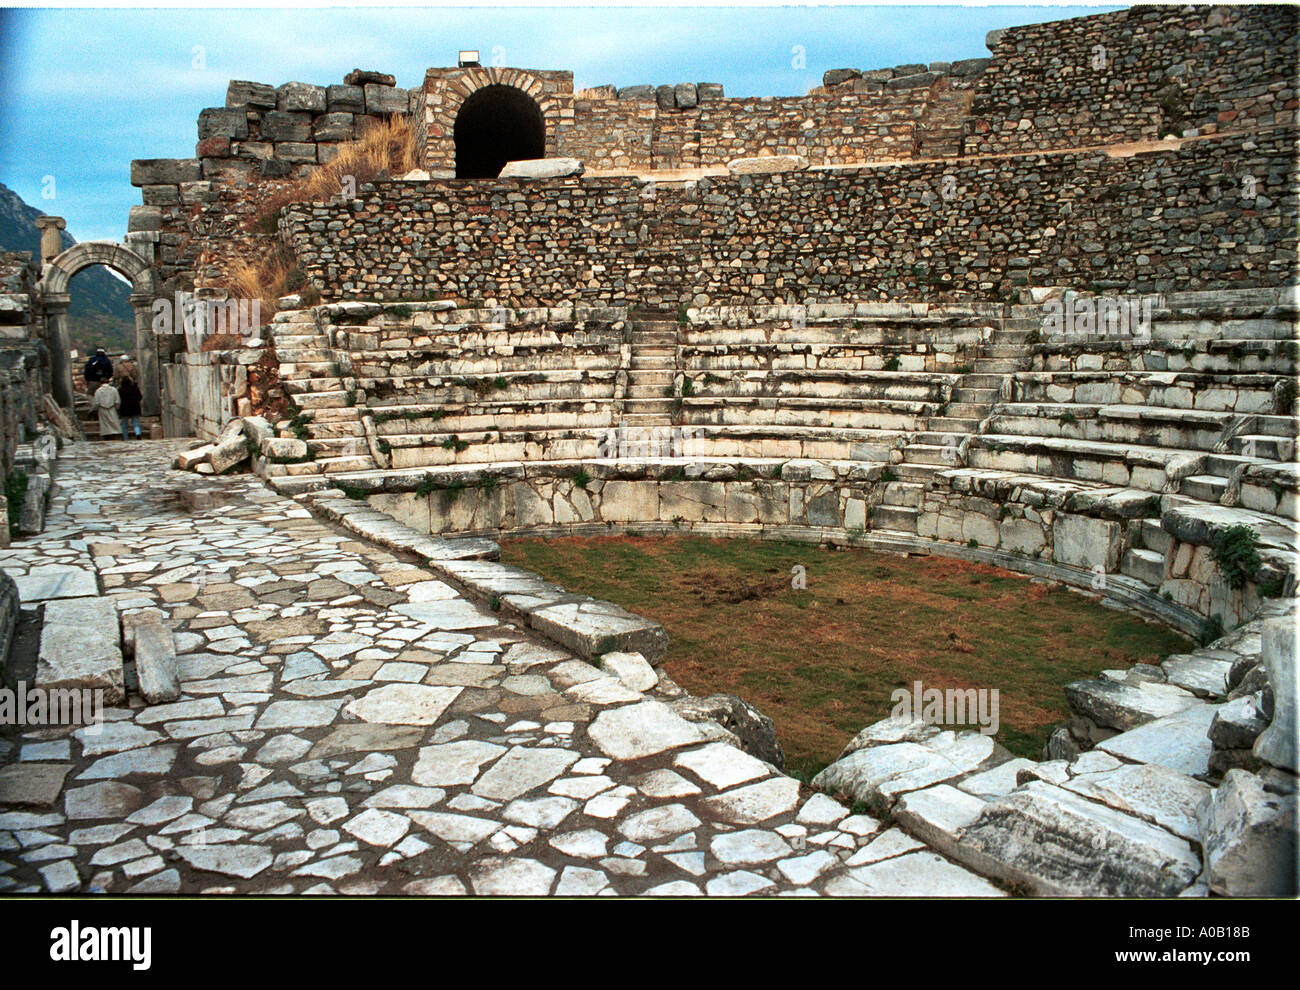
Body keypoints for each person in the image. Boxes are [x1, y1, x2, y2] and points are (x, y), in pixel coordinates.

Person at [118, 375, 142, 440]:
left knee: (124, 424)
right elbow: (140, 397)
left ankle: (125, 437)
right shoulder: (135, 388)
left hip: (124, 408)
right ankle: (138, 433)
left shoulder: (120, 390)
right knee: (136, 423)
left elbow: (118, 400)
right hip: (135, 408)